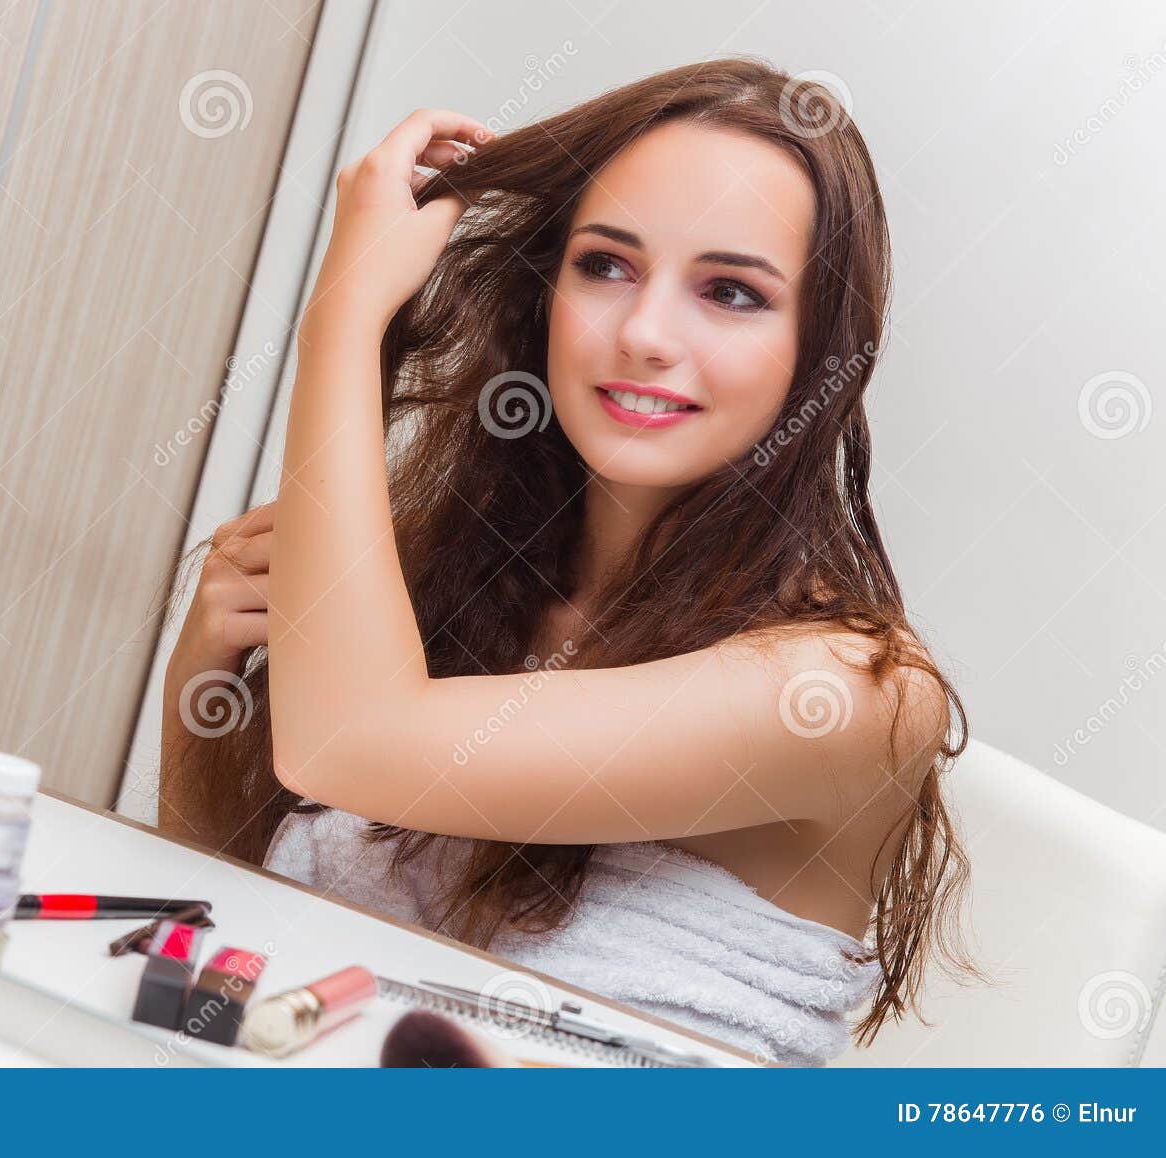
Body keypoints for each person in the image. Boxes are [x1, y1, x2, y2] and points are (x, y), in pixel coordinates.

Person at [160, 57, 983, 1064]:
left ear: (818, 352)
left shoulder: (849, 694)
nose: (643, 334)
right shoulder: (434, 592)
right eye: (605, 265)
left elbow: (348, 747)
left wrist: (340, 318)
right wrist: (199, 689)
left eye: (729, 291)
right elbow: (221, 947)